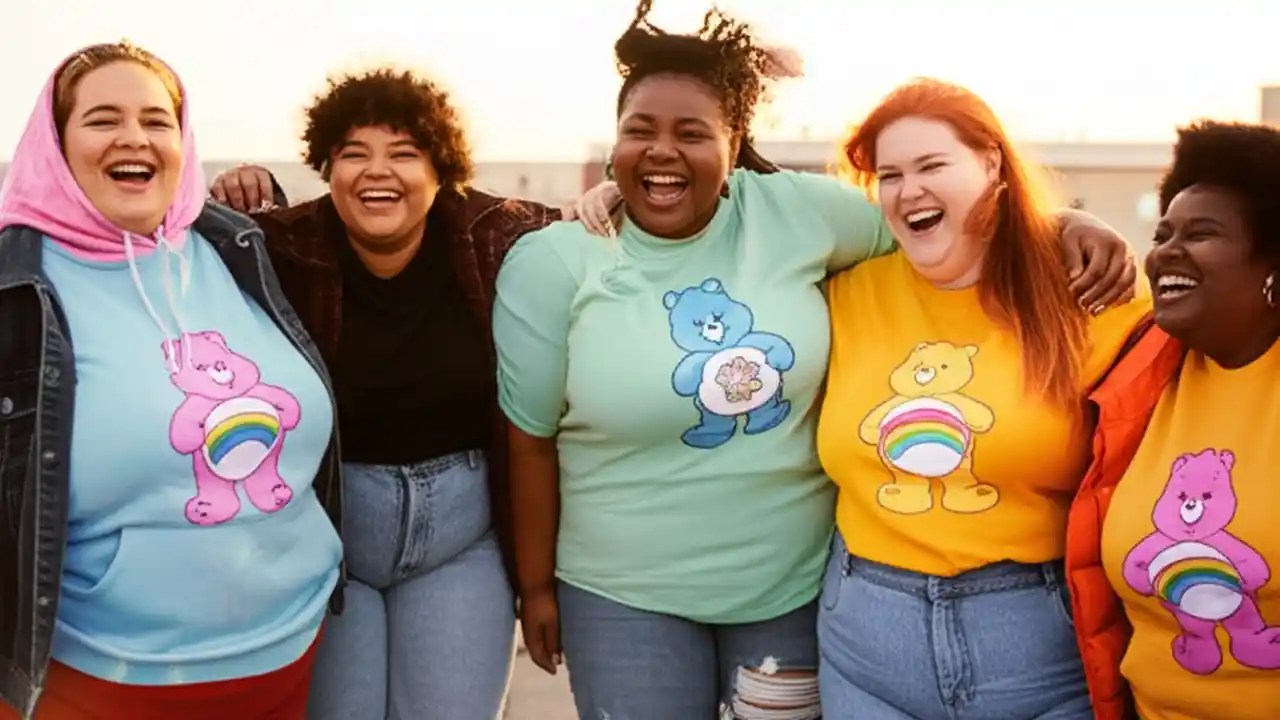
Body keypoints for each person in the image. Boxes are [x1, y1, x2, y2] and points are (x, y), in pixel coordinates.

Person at [497, 3, 1137, 716]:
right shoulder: (555, 262)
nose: (661, 150)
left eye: (692, 134)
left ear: (735, 142)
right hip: (622, 596)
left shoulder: (801, 213)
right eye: (639, 132)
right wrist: (537, 586)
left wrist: (1064, 225)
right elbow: (529, 440)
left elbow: (941, 224)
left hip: (788, 591)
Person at [206, 68, 563, 720]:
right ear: (327, 166)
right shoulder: (289, 247)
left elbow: (606, 233)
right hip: (334, 545)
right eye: (354, 154)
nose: (379, 172)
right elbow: (172, 240)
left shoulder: (495, 240)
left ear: (441, 169)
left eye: (405, 153)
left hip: (462, 542)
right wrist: (230, 193)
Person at [0, 41, 342, 720]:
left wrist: (612, 192)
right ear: (54, 143)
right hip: (99, 681)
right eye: (102, 120)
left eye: (157, 121)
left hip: (290, 654)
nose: (135, 138)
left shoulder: (236, 247)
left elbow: (388, 224)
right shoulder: (14, 289)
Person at [813, 77, 1152, 719]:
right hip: (866, 643)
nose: (908, 190)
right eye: (890, 175)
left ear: (992, 163)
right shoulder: (841, 293)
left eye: (932, 165)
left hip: (1039, 647)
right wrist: (612, 201)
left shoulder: (1089, 293)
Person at [1067, 120, 1280, 720]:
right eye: (1162, 234)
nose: (1165, 253)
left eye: (1202, 233)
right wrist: (1069, 221)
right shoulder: (1133, 358)